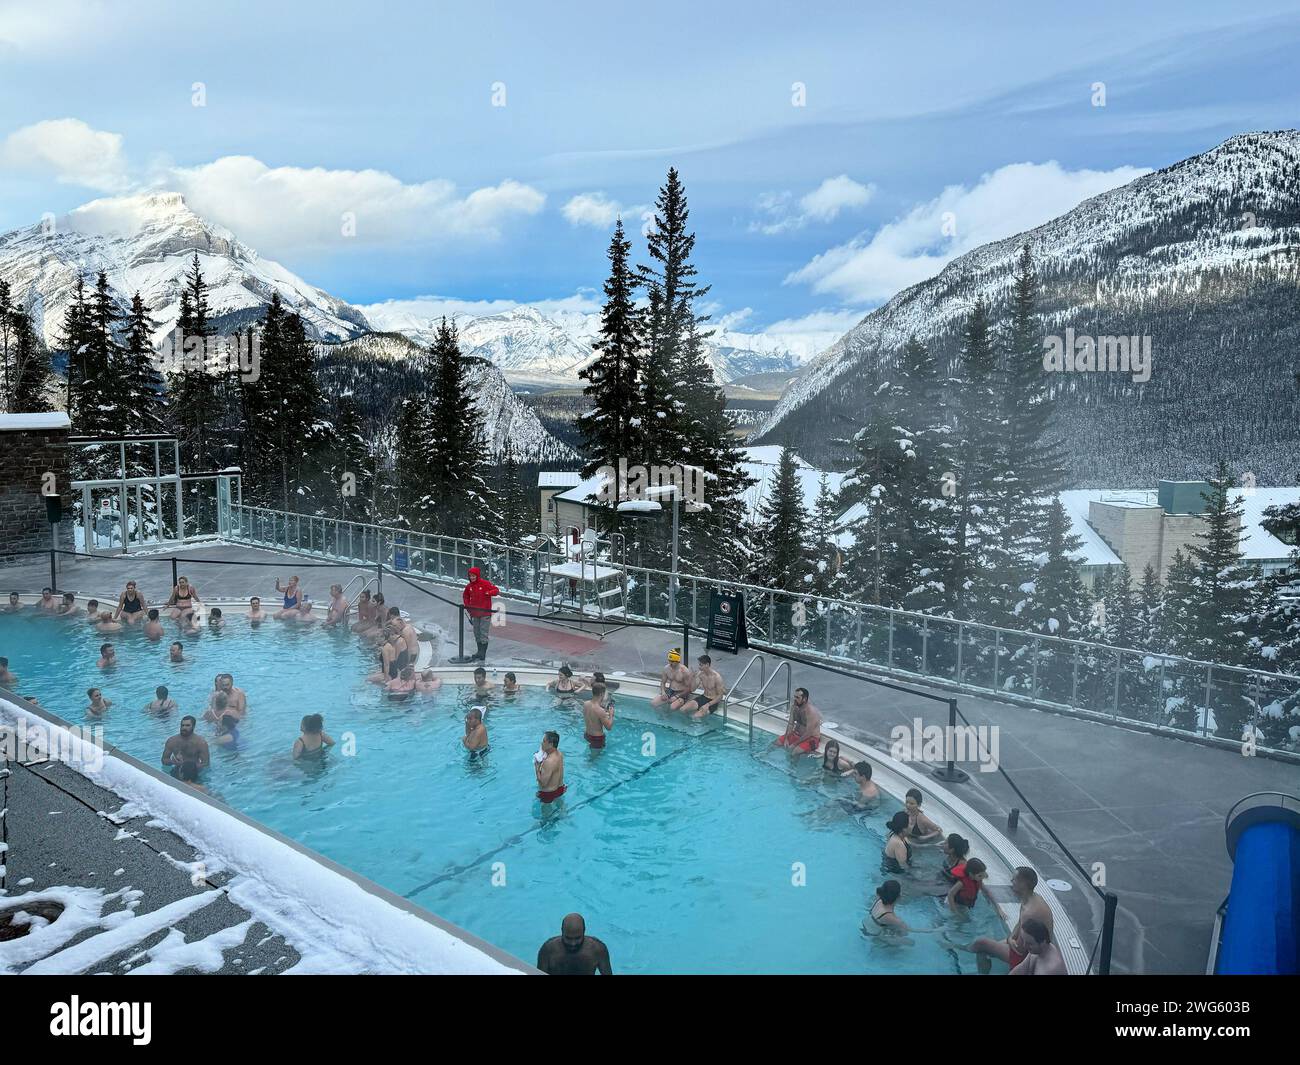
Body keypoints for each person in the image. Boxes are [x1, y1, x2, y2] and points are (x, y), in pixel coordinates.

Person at [966, 867, 1053, 974]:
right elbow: (1020, 923)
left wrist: (1009, 940)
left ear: (1023, 884)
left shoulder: (1030, 912)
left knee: (981, 944)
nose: (1011, 881)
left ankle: (963, 952)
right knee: (989, 948)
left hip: (1028, 957)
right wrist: (1011, 937)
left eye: (1014, 879)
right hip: (1029, 948)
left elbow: (1020, 949)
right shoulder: (1031, 898)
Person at [536, 914, 612, 975]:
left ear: (584, 931)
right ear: (562, 931)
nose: (573, 943)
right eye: (568, 938)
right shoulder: (548, 950)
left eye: (577, 938)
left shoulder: (598, 950)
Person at [462, 566, 500, 662]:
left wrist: (489, 593)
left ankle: (483, 653)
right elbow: (465, 596)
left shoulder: (485, 584)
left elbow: (496, 590)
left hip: (485, 613)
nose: (472, 578)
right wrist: (467, 605)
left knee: (483, 633)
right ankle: (479, 651)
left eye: (474, 576)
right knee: (476, 632)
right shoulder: (469, 587)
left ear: (477, 575)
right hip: (474, 613)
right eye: (470, 576)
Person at [161, 716, 209, 785]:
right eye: (182, 725)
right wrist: (173, 762)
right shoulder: (172, 741)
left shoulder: (201, 743)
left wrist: (189, 766)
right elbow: (164, 760)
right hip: (177, 770)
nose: (184, 728)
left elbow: (206, 764)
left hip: (194, 772)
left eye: (187, 725)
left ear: (193, 726)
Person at [776, 687, 822, 755]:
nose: (794, 699)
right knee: (778, 742)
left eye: (797, 697)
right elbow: (790, 724)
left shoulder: (811, 712)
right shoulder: (794, 707)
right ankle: (763, 757)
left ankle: (792, 766)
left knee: (795, 751)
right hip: (797, 735)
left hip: (811, 739)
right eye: (794, 697)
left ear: (804, 699)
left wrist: (794, 744)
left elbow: (809, 733)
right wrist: (786, 738)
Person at [535, 730, 565, 804]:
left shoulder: (549, 761)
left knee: (546, 815)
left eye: (544, 741)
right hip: (560, 789)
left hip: (548, 794)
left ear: (551, 744)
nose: (541, 743)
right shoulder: (559, 754)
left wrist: (537, 767)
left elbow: (543, 783)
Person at [582, 683, 615, 749]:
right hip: (597, 739)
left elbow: (593, 716)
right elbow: (609, 727)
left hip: (587, 735)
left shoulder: (585, 704)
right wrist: (611, 715)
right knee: (595, 758)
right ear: (601, 694)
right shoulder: (600, 711)